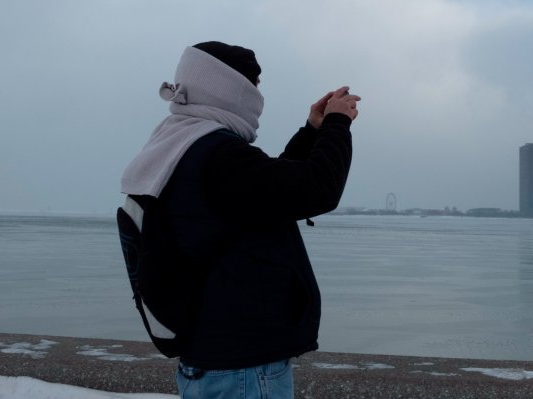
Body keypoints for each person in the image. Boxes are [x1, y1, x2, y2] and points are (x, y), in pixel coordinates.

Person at [120, 41, 360, 399]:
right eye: (254, 86)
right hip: (243, 368)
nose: (258, 96)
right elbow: (316, 190)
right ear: (232, 89)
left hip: (210, 356)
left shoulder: (178, 145)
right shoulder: (218, 153)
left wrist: (312, 131)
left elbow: (265, 196)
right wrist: (338, 125)